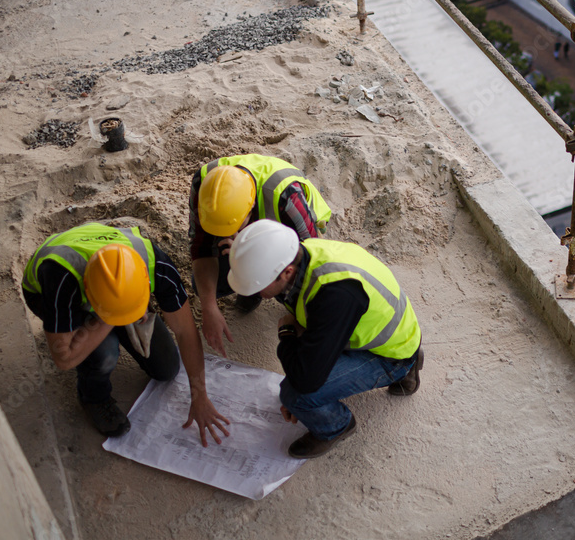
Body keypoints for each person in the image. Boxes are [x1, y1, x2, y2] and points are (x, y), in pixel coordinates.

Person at [226, 220, 423, 459]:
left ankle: (336, 426)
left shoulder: (335, 294)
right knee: (305, 369)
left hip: (390, 354)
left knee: (296, 396)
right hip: (381, 328)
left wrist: (286, 332)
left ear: (286, 272)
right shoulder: (305, 254)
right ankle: (410, 358)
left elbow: (305, 379)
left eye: (257, 286)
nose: (255, 294)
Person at [22, 222, 230, 445]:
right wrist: (109, 317)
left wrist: (199, 396)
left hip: (109, 292)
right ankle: (93, 397)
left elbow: (186, 332)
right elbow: (63, 357)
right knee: (105, 352)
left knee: (167, 368)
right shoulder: (60, 279)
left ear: (145, 282)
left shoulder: (157, 265)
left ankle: (122, 308)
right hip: (44, 292)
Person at [189, 154, 332, 356]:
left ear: (252, 208)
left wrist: (248, 252)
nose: (227, 235)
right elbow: (200, 248)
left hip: (296, 233)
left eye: (233, 228)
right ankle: (250, 286)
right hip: (257, 230)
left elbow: (312, 255)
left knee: (294, 290)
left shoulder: (287, 197)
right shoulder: (204, 184)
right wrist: (209, 307)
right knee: (202, 284)